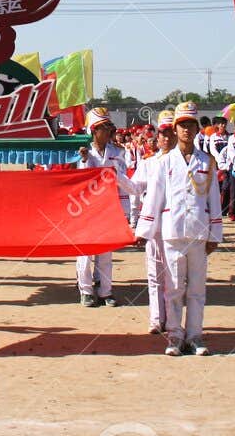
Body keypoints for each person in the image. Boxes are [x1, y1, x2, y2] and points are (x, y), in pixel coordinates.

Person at [136, 102, 222, 356]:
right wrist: (144, 230)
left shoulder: (207, 161)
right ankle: (174, 335)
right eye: (182, 125)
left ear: (197, 129)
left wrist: (215, 234)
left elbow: (214, 199)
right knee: (173, 288)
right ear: (175, 129)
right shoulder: (164, 163)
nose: (186, 130)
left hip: (198, 232)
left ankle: (194, 336)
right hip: (172, 232)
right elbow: (155, 197)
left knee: (197, 289)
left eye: (190, 125)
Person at [75, 108, 136, 306]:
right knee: (85, 253)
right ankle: (85, 291)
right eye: (103, 127)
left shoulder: (118, 152)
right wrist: (84, 160)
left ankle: (105, 291)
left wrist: (117, 178)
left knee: (105, 253)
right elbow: (81, 180)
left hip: (109, 208)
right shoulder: (83, 152)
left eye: (109, 127)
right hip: (87, 209)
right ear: (94, 130)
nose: (108, 131)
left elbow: (123, 179)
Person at [132, 110, 176, 335]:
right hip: (153, 223)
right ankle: (157, 318)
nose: (166, 138)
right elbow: (135, 187)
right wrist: (114, 176)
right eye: (163, 133)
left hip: (176, 224)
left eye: (170, 133)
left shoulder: (184, 162)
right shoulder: (149, 163)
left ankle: (172, 320)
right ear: (157, 136)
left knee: (174, 275)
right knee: (154, 273)